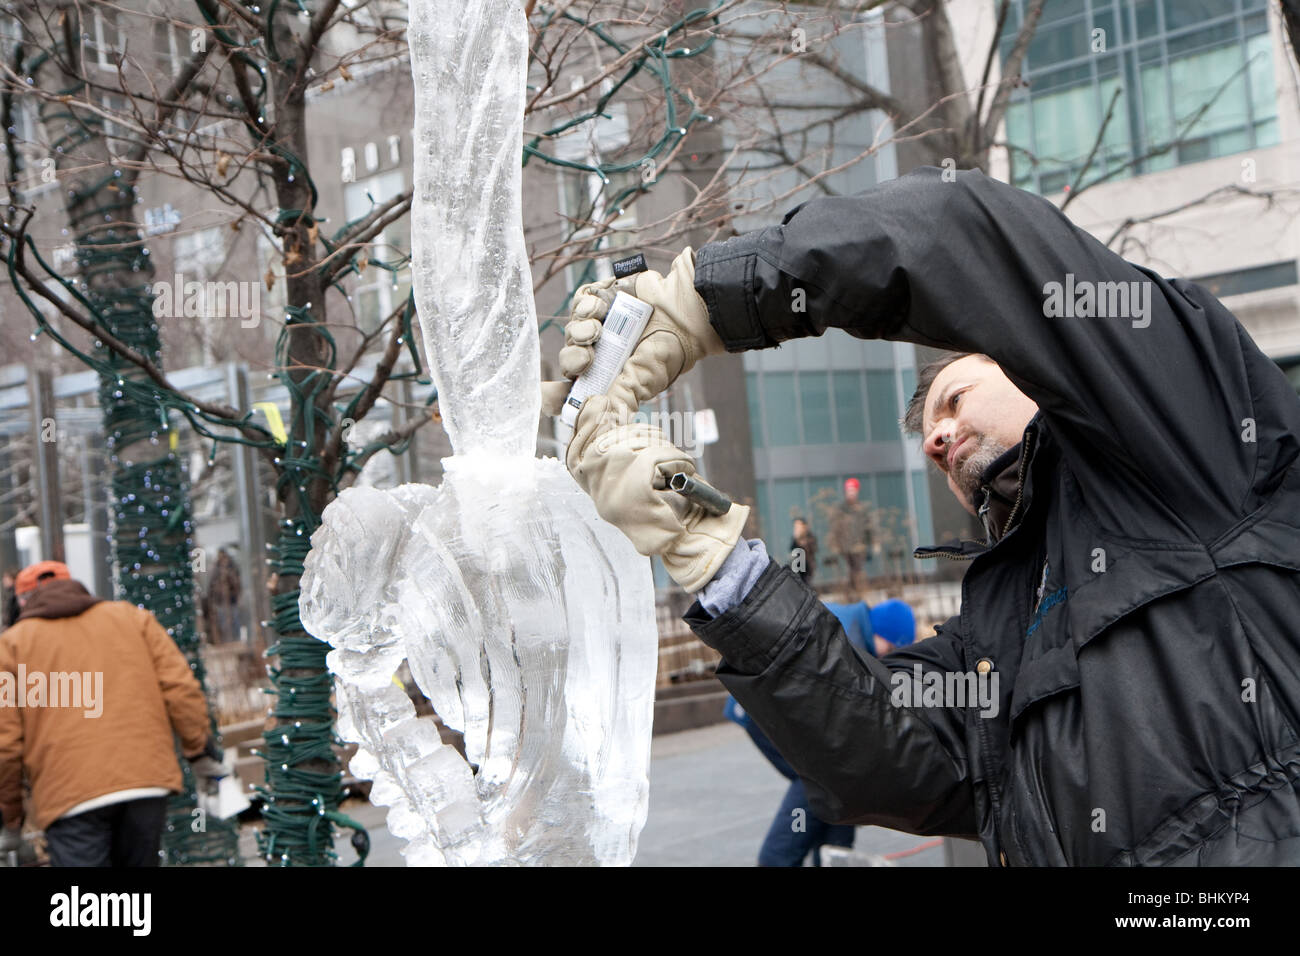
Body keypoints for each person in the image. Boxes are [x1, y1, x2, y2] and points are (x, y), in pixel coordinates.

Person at [541, 166, 1300, 866]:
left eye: (955, 399)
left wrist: (704, 298)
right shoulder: (998, 621)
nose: (935, 437)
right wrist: (707, 553)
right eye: (929, 440)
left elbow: (967, 235)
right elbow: (883, 754)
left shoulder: (1184, 435)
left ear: (1035, 372)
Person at [0, 560, 222, 866]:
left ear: (22, 601)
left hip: (68, 796)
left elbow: (5, 744)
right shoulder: (132, 618)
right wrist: (200, 753)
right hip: (144, 783)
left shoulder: (11, 647)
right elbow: (181, 689)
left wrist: (11, 817)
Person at [726, 596, 917, 866]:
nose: (888, 657)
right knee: (820, 778)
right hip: (759, 705)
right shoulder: (848, 642)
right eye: (892, 648)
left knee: (835, 782)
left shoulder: (855, 626)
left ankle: (833, 854)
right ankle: (778, 859)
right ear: (883, 634)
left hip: (766, 699)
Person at [827, 479, 873, 593]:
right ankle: (850, 594)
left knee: (858, 571)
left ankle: (859, 592)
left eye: (853, 490)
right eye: (849, 490)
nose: (851, 493)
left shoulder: (862, 509)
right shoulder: (841, 509)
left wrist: (872, 543)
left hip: (859, 547)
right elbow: (835, 528)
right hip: (844, 547)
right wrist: (834, 545)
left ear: (857, 491)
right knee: (848, 572)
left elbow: (869, 528)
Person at [788, 517, 817, 587]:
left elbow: (813, 549)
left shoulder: (809, 536)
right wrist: (796, 538)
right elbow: (792, 549)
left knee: (806, 584)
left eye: (799, 525)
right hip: (797, 566)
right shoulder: (796, 538)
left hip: (807, 566)